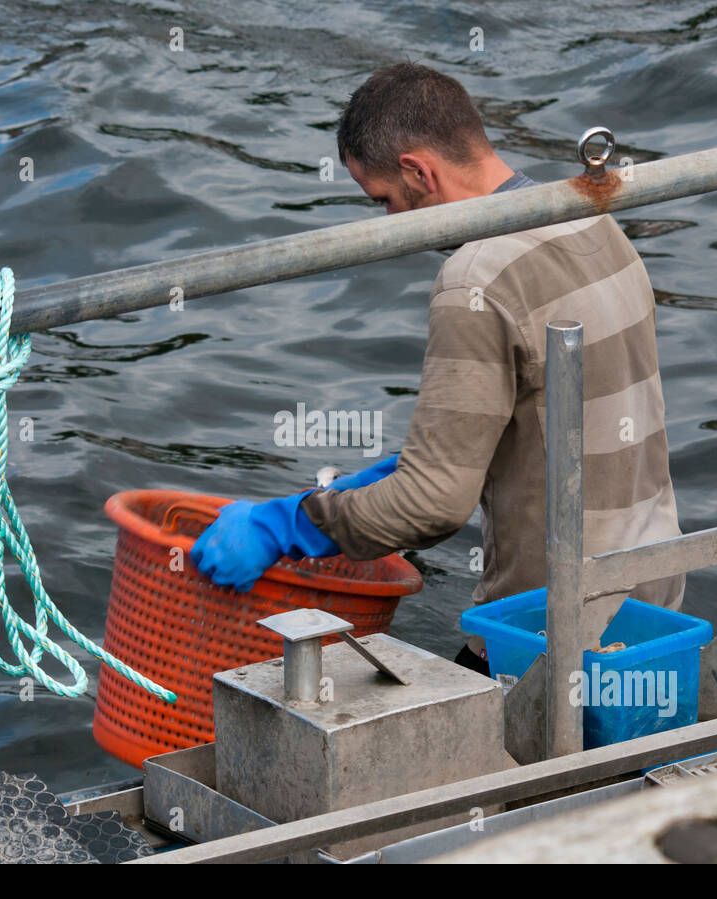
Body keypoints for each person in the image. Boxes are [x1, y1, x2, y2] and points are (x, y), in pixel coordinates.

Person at [191, 62, 683, 675]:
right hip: (658, 599)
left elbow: (431, 506)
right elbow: (549, 420)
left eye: (386, 201)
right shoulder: (593, 221)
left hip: (552, 633)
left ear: (418, 171)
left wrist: (291, 524)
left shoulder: (477, 277)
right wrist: (368, 482)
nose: (393, 227)